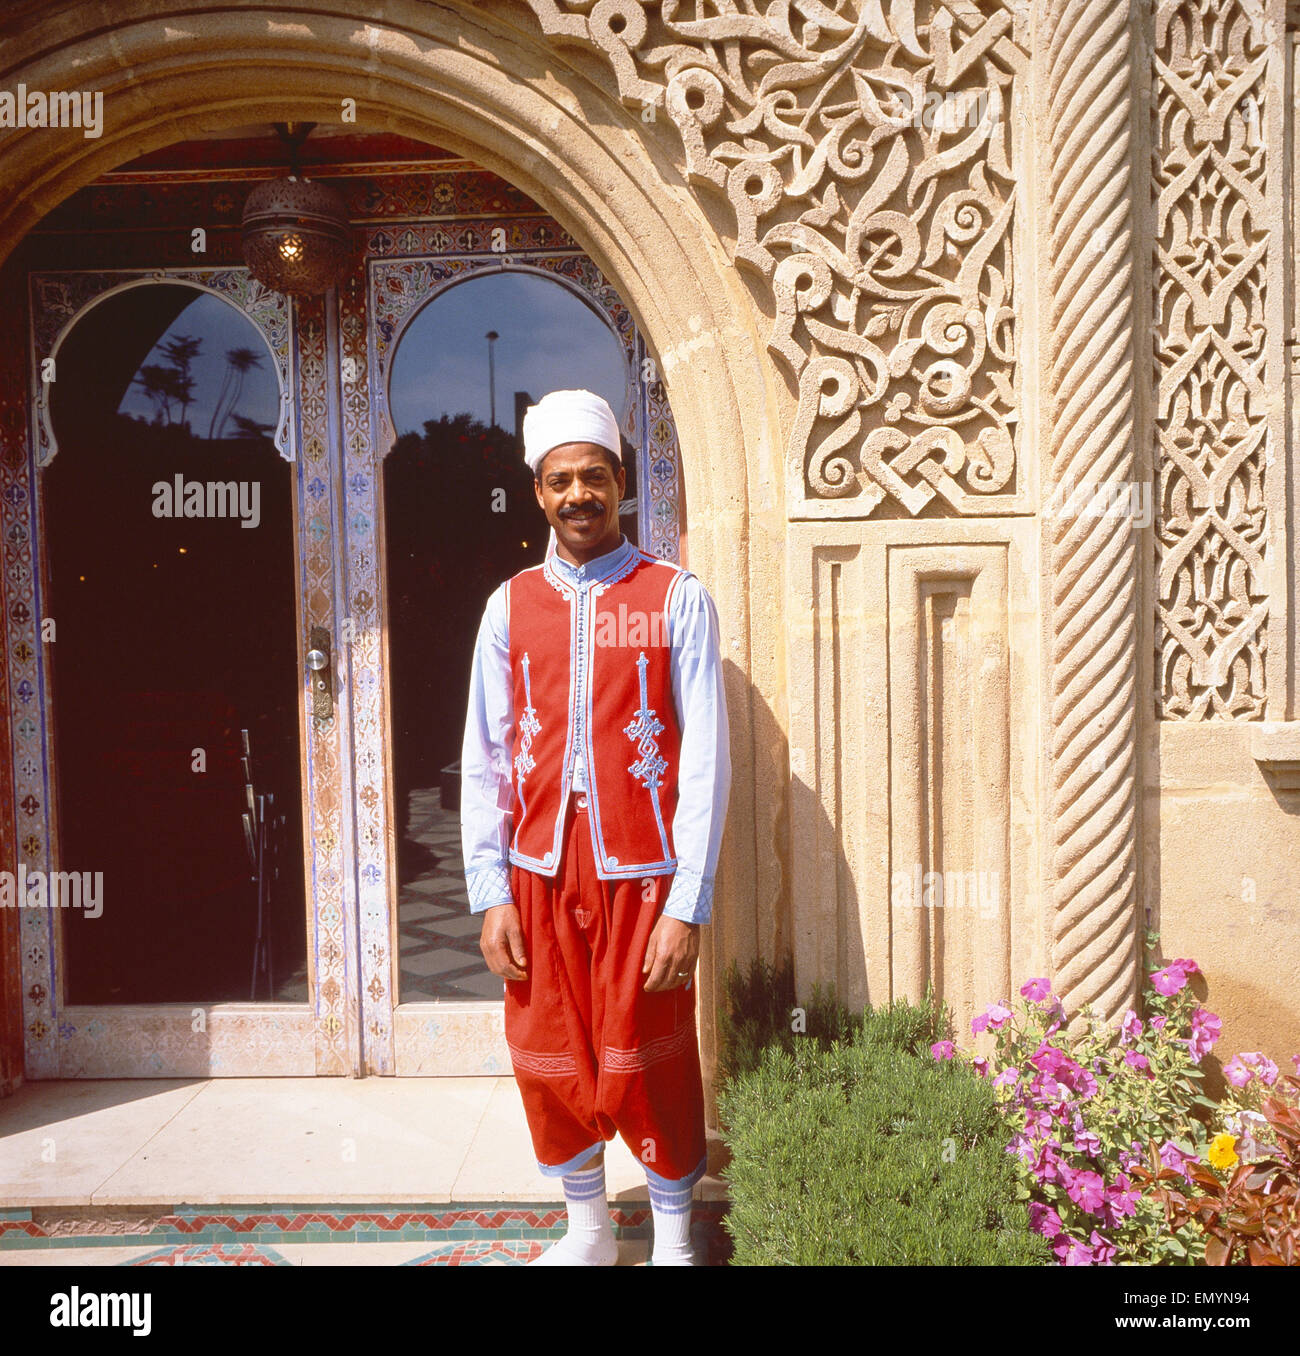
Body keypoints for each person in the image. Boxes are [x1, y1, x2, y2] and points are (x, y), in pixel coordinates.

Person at [460, 388, 731, 1266]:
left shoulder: (674, 596)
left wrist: (687, 902)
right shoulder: (509, 607)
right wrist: (489, 889)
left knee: (651, 1060)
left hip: (643, 875)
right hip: (539, 875)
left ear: (622, 482)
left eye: (595, 476)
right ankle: (586, 1229)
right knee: (548, 1051)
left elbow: (704, 761)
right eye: (560, 479)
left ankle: (675, 1238)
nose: (579, 494)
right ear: (536, 492)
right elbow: (485, 754)